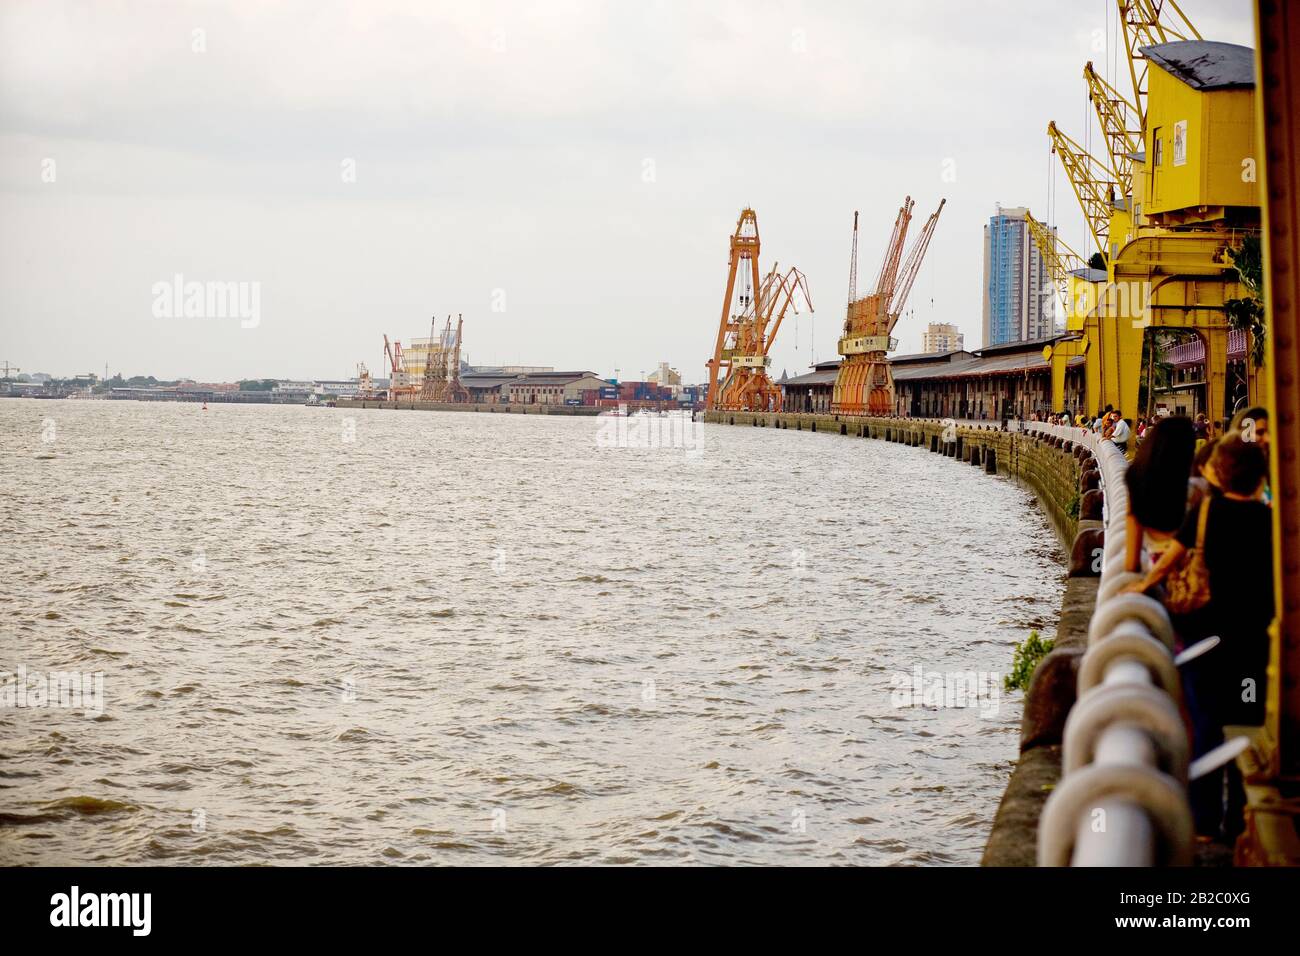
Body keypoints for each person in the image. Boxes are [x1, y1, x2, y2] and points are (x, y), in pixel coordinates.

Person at [1123, 435, 1273, 839]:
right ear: (1260, 479)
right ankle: (1238, 817)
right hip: (1252, 644)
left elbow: (1169, 559)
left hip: (1205, 637)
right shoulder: (1269, 520)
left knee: (1206, 722)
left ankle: (1204, 818)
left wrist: (1142, 585)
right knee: (1245, 724)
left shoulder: (1206, 512)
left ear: (1219, 474)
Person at [1123, 416, 1195, 574]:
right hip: (1198, 574)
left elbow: (1131, 563)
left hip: (1161, 575)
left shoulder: (1138, 485)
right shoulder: (1198, 491)